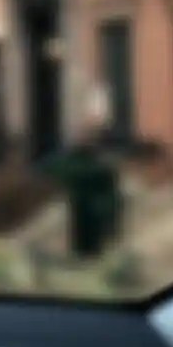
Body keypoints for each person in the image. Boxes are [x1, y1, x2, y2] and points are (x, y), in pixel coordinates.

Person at [42, 84, 123, 259]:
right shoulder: (79, 163)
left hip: (88, 214)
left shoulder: (99, 166)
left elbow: (111, 198)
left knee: (87, 247)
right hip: (78, 213)